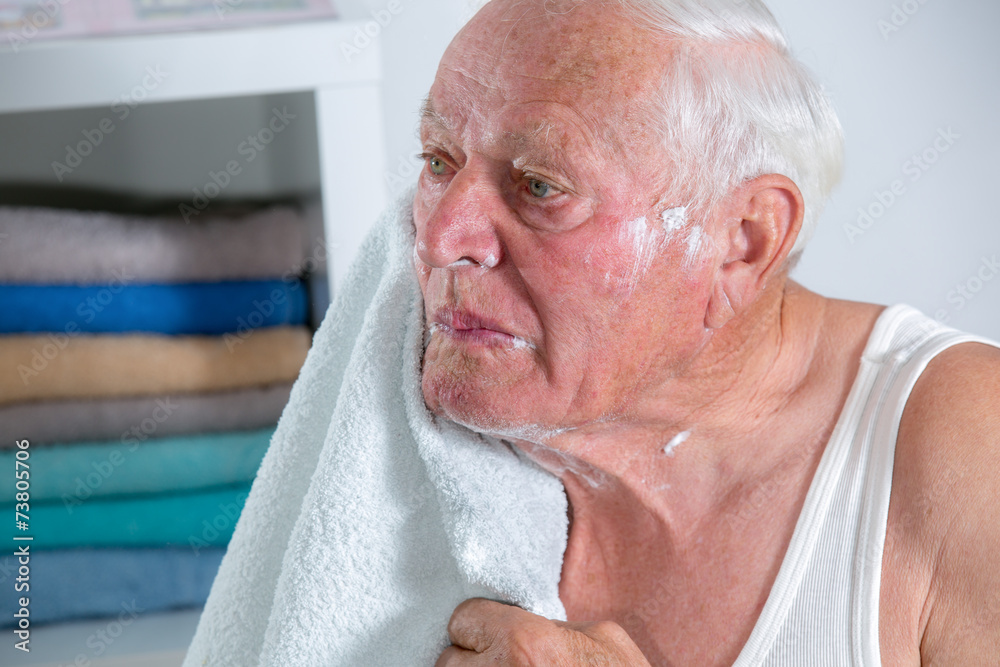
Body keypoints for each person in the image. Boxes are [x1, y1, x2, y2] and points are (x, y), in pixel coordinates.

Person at [413, 0, 1000, 664]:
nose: (439, 239)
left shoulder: (968, 450)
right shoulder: (405, 420)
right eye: (438, 160)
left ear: (741, 246)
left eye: (540, 186)